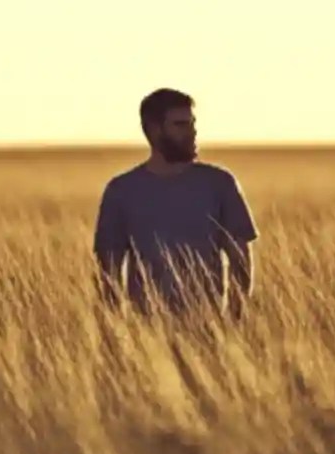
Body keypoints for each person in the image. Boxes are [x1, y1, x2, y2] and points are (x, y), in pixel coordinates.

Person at [93, 88, 259, 319]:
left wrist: (232, 322)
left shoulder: (219, 184)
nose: (192, 132)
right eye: (180, 125)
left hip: (209, 330)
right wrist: (117, 330)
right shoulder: (122, 191)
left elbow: (240, 259)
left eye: (192, 123)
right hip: (145, 335)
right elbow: (108, 269)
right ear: (154, 130)